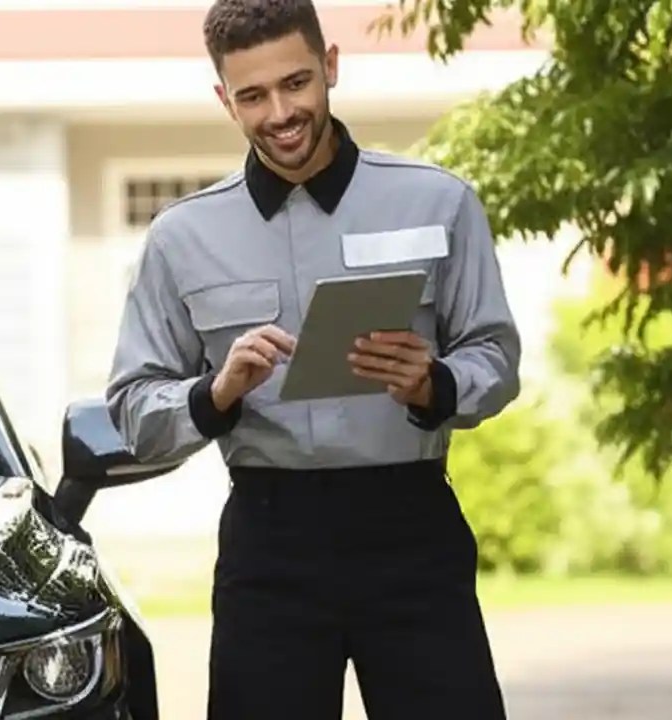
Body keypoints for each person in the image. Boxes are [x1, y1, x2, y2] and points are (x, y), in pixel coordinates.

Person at [103, 1, 522, 718]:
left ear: (330, 67)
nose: (280, 112)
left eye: (295, 83)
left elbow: (496, 355)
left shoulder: (436, 201)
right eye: (253, 96)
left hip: (410, 529)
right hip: (272, 543)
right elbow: (134, 409)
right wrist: (216, 392)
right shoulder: (181, 237)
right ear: (224, 100)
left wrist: (435, 382)